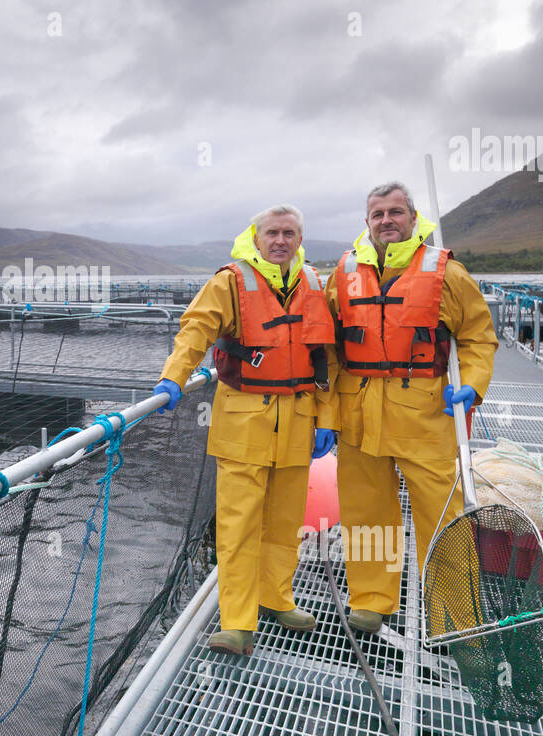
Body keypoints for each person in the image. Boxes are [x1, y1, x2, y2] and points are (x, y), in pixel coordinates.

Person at [154, 205, 338, 655]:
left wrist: (327, 420)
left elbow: (327, 361)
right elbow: (195, 329)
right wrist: (173, 377)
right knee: (237, 526)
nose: (280, 240)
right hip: (243, 421)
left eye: (289, 233)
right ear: (256, 238)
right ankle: (238, 622)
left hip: (298, 419)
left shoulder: (314, 283)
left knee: (284, 522)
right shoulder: (229, 281)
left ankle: (277, 599)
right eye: (272, 232)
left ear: (299, 239)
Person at [325, 181, 497, 634]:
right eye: (378, 213)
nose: (387, 221)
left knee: (443, 515)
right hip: (357, 414)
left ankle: (453, 615)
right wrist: (324, 414)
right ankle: (370, 599)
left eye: (396, 212)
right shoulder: (342, 273)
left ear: (413, 217)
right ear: (367, 222)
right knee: (365, 513)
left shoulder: (446, 272)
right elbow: (323, 343)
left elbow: (478, 336)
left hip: (425, 415)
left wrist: (473, 387)